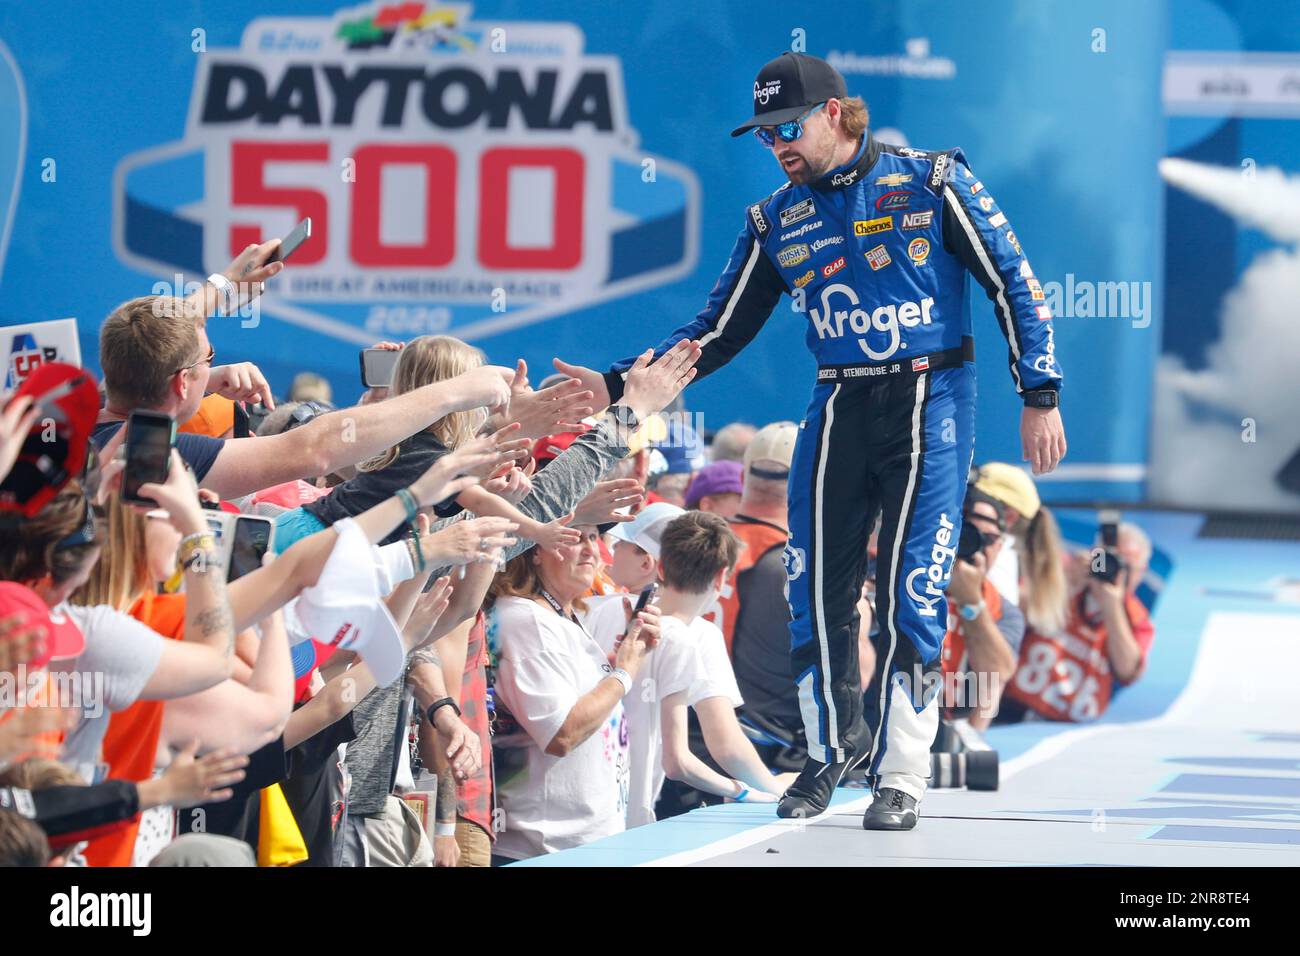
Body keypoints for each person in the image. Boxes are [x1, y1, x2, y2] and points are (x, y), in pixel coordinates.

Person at [556, 52, 1066, 829]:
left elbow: (1014, 281)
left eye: (787, 128)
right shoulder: (776, 218)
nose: (777, 147)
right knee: (816, 593)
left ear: (835, 112)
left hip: (933, 398)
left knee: (910, 597)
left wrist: (1040, 393)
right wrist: (618, 379)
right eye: (764, 136)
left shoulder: (931, 181)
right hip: (840, 400)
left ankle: (901, 773)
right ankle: (831, 752)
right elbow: (716, 331)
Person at [93, 293, 519, 499]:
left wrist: (202, 374)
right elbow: (315, 449)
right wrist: (452, 392)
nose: (216, 367)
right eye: (210, 358)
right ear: (182, 382)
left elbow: (141, 349)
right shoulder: (158, 453)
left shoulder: (84, 431)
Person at [587, 512, 790, 826]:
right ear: (721, 577)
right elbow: (725, 744)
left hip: (578, 804)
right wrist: (768, 789)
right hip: (630, 813)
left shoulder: (599, 610)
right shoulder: (699, 635)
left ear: (661, 566)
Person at [487, 526, 659, 861]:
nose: (590, 550)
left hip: (579, 843)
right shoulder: (527, 619)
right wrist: (624, 672)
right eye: (574, 537)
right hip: (545, 849)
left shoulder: (558, 615)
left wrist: (615, 665)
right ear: (535, 549)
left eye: (594, 538)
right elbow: (561, 734)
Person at [1001, 522, 1155, 723]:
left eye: (1126, 566)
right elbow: (1008, 610)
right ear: (1094, 553)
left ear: (1141, 572)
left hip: (1070, 724)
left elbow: (1129, 672)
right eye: (1109, 559)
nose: (1115, 570)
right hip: (1013, 706)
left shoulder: (1136, 617)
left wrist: (1112, 608)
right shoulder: (1065, 572)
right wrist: (1063, 585)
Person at [937, 489, 1026, 731]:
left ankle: (970, 743)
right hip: (895, 712)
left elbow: (998, 672)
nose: (976, 547)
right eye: (969, 534)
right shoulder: (912, 581)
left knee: (996, 667)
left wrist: (970, 601)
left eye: (988, 540)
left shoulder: (1002, 609)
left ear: (999, 547)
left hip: (951, 723)